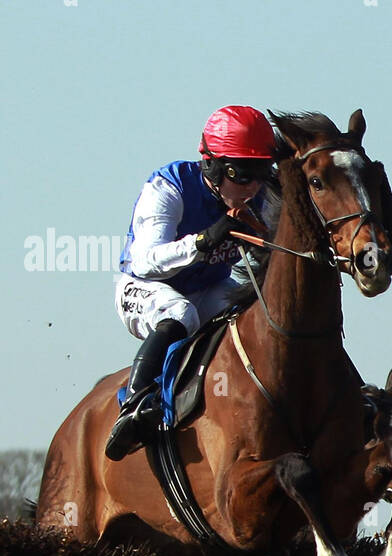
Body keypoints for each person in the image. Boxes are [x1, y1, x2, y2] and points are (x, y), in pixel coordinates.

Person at [105, 105, 275, 460]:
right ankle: (133, 406)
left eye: (261, 173)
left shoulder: (259, 195)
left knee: (260, 315)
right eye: (242, 174)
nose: (253, 186)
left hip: (209, 289)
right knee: (181, 312)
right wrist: (203, 241)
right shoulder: (168, 188)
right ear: (211, 164)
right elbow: (145, 262)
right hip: (145, 289)